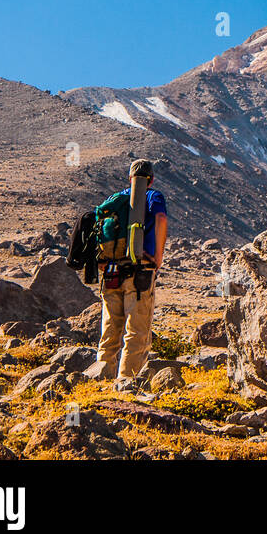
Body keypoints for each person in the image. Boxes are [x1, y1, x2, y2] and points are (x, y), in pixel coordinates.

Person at [95, 158, 168, 379]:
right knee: (136, 329)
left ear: (129, 178)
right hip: (140, 271)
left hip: (111, 271)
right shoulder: (153, 196)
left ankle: (100, 377)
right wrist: (157, 256)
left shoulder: (114, 199)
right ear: (151, 179)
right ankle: (128, 382)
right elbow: (161, 218)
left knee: (110, 328)